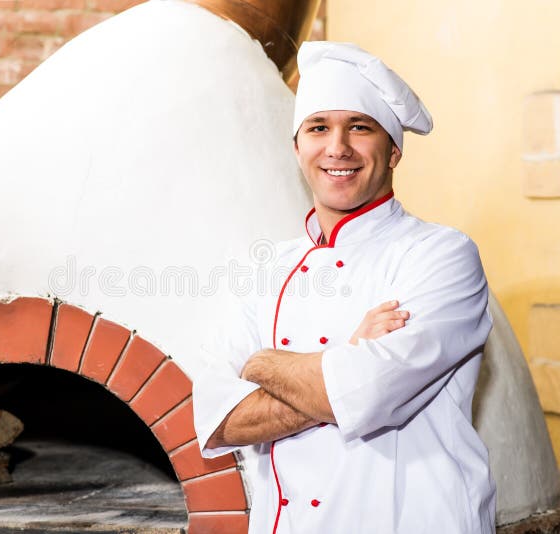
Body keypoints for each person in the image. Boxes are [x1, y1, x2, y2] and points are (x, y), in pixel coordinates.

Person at [192, 42, 496, 533]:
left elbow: (364, 397)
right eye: (318, 128)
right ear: (297, 149)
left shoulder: (441, 256)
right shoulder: (263, 270)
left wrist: (263, 363)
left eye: (359, 127)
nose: (337, 148)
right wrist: (347, 355)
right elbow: (221, 420)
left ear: (393, 150)